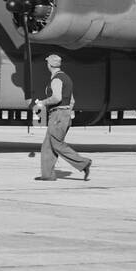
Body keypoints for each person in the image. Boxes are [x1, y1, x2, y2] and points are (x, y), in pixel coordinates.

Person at [33, 53, 92, 181]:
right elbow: (72, 101)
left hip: (57, 115)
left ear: (49, 65)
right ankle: (47, 175)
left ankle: (83, 162)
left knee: (56, 144)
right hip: (62, 115)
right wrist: (67, 113)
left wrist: (42, 102)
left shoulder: (57, 79)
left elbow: (56, 98)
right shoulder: (66, 78)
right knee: (47, 145)